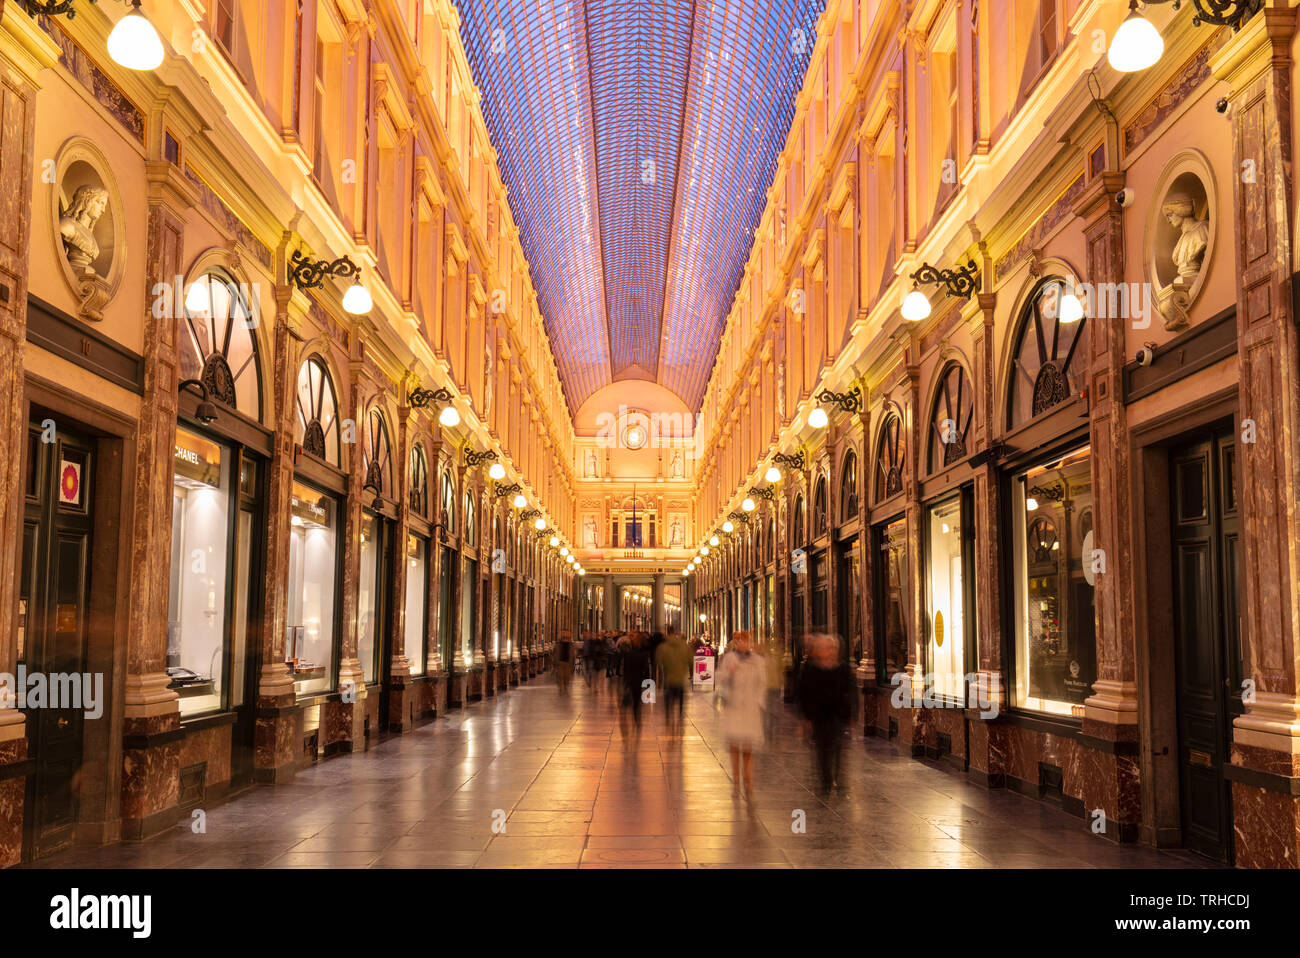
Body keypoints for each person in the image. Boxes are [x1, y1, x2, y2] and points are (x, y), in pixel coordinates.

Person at [796, 634, 855, 795]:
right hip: (819, 717)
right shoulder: (810, 669)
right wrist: (805, 717)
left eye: (832, 648)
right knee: (822, 749)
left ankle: (839, 778)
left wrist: (850, 716)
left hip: (838, 715)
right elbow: (803, 693)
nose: (829, 651)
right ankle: (826, 782)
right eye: (825, 648)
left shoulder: (843, 668)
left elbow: (850, 692)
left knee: (838, 747)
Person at [715, 630, 767, 799]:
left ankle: (748, 781)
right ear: (735, 643)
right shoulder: (729, 659)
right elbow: (718, 677)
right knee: (735, 746)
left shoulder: (758, 661)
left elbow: (762, 683)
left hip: (750, 709)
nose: (742, 644)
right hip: (734, 708)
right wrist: (729, 672)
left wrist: (759, 702)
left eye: (744, 641)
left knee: (748, 747)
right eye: (738, 641)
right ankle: (736, 781)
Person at [656, 628, 691, 731]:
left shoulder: (663, 647)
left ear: (667, 633)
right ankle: (680, 716)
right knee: (680, 698)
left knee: (668, 698)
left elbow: (659, 661)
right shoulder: (685, 646)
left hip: (669, 678)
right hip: (680, 678)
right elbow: (691, 660)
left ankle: (668, 716)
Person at [621, 632, 653, 739]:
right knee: (636, 704)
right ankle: (637, 721)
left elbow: (624, 671)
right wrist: (649, 685)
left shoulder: (628, 654)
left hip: (629, 681)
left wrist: (624, 683)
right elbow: (646, 670)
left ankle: (626, 724)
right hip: (638, 682)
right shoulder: (643, 655)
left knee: (626, 704)